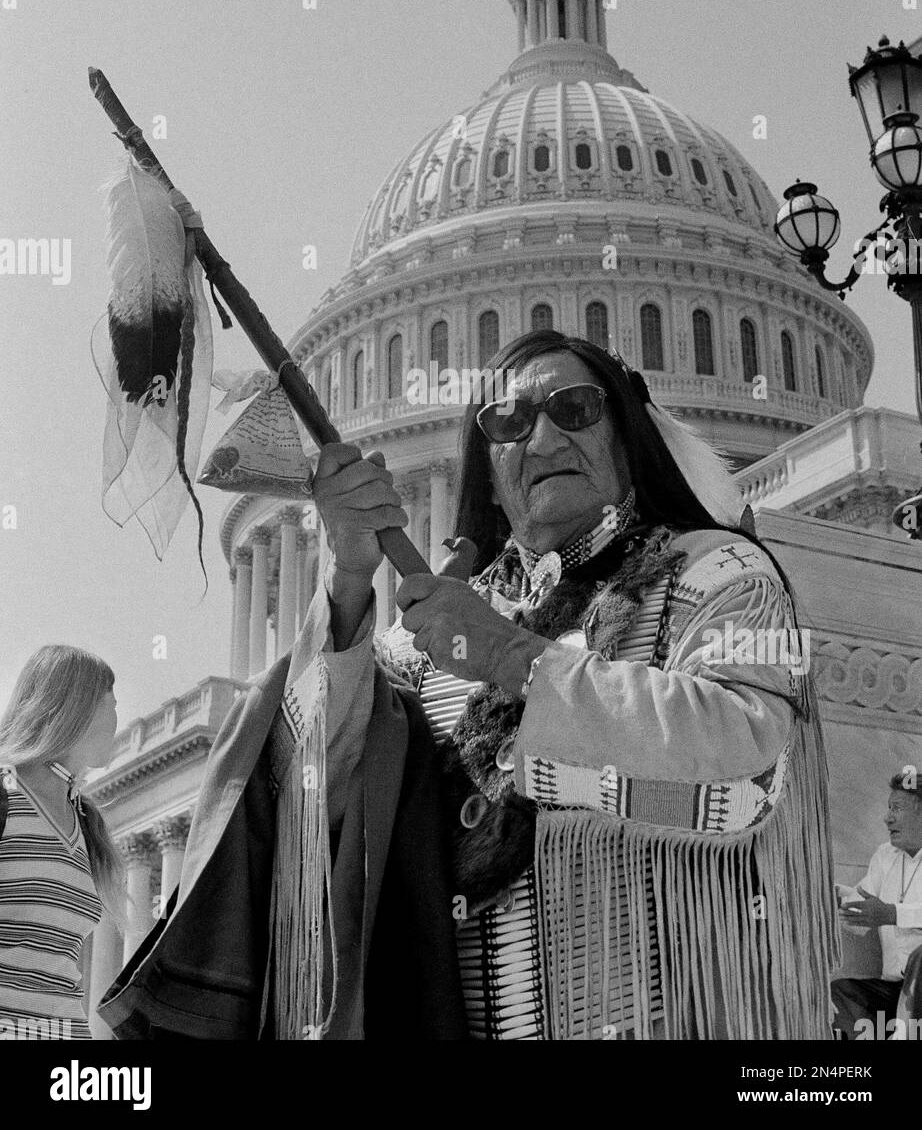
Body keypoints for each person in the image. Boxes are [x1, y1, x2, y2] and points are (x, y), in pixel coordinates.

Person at [98, 331, 838, 1040]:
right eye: (508, 422)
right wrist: (350, 578)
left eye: (574, 411)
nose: (542, 440)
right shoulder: (436, 630)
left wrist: (512, 656)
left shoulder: (716, 570)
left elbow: (749, 771)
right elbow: (313, 793)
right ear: (489, 463)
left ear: (628, 435)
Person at [0, 645, 122, 1040]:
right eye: (112, 704)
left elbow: (60, 972)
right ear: (78, 708)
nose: (118, 719)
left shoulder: (85, 822)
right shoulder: (5, 795)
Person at [832, 771, 922, 1039]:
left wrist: (893, 914)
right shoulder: (885, 855)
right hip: (894, 989)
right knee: (842, 994)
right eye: (888, 808)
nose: (887, 817)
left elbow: (885, 913)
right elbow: (863, 910)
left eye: (897, 808)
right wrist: (831, 899)